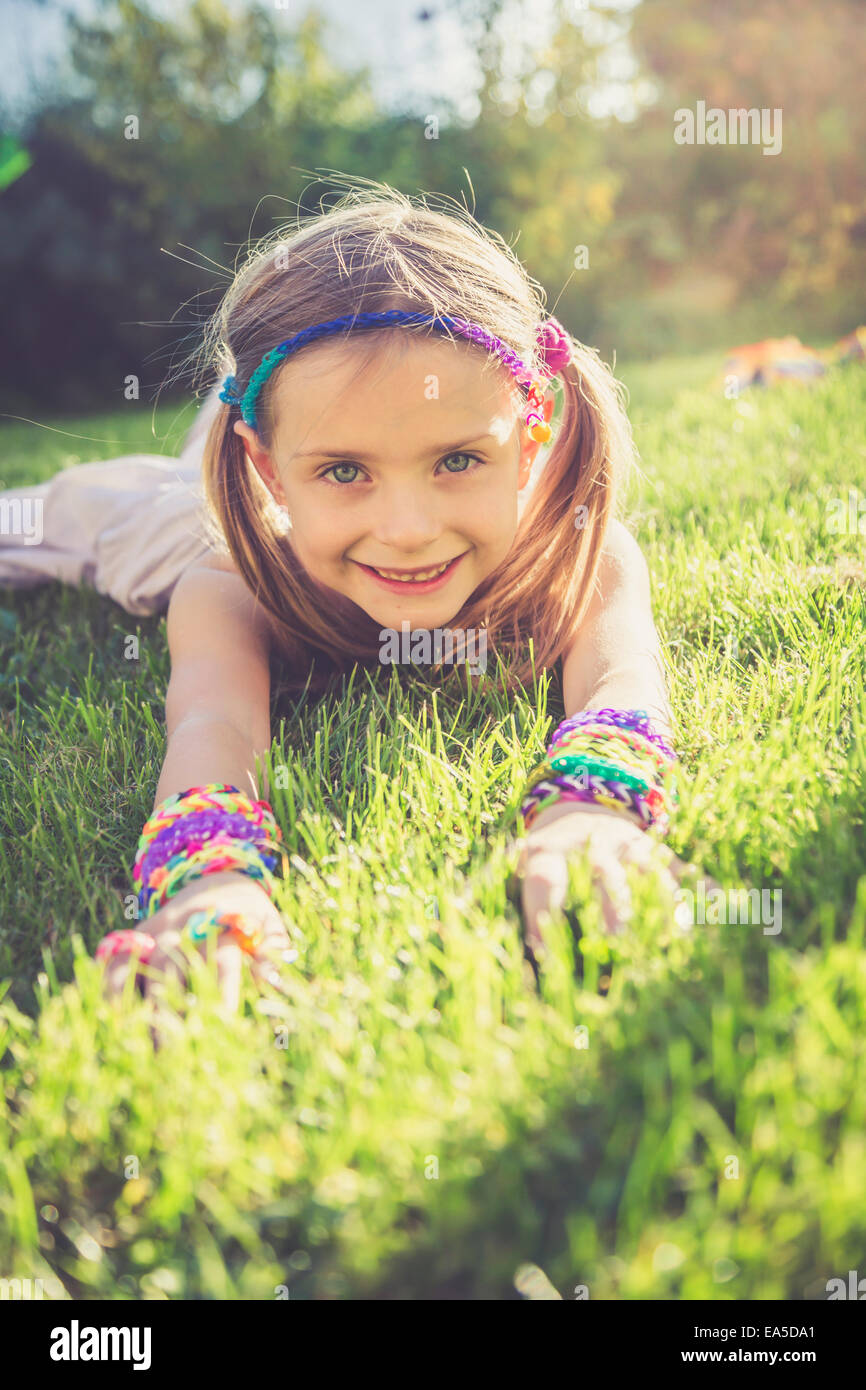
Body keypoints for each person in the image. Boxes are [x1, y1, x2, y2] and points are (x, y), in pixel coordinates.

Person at [0, 186, 685, 1015]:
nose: (406, 530)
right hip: (180, 514)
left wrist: (593, 808)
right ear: (268, 471)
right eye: (347, 471)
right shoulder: (224, 581)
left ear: (531, 439)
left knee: (281, 419)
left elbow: (625, 679)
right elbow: (214, 722)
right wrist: (207, 881)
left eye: (459, 461)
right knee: (85, 515)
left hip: (278, 431)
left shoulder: (583, 552)